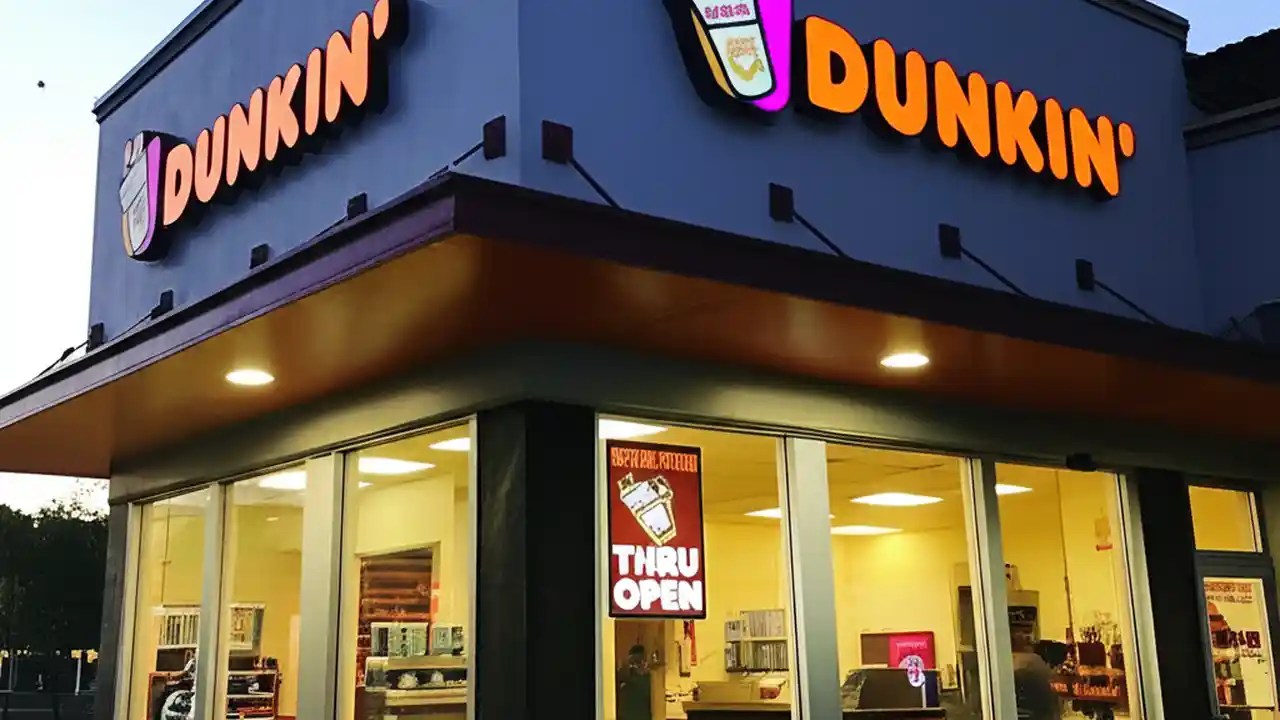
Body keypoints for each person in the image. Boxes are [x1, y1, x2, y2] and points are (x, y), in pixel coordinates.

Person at [617, 644, 653, 720]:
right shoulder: (624, 681)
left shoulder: (650, 681)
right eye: (632, 662)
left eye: (638, 661)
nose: (634, 665)